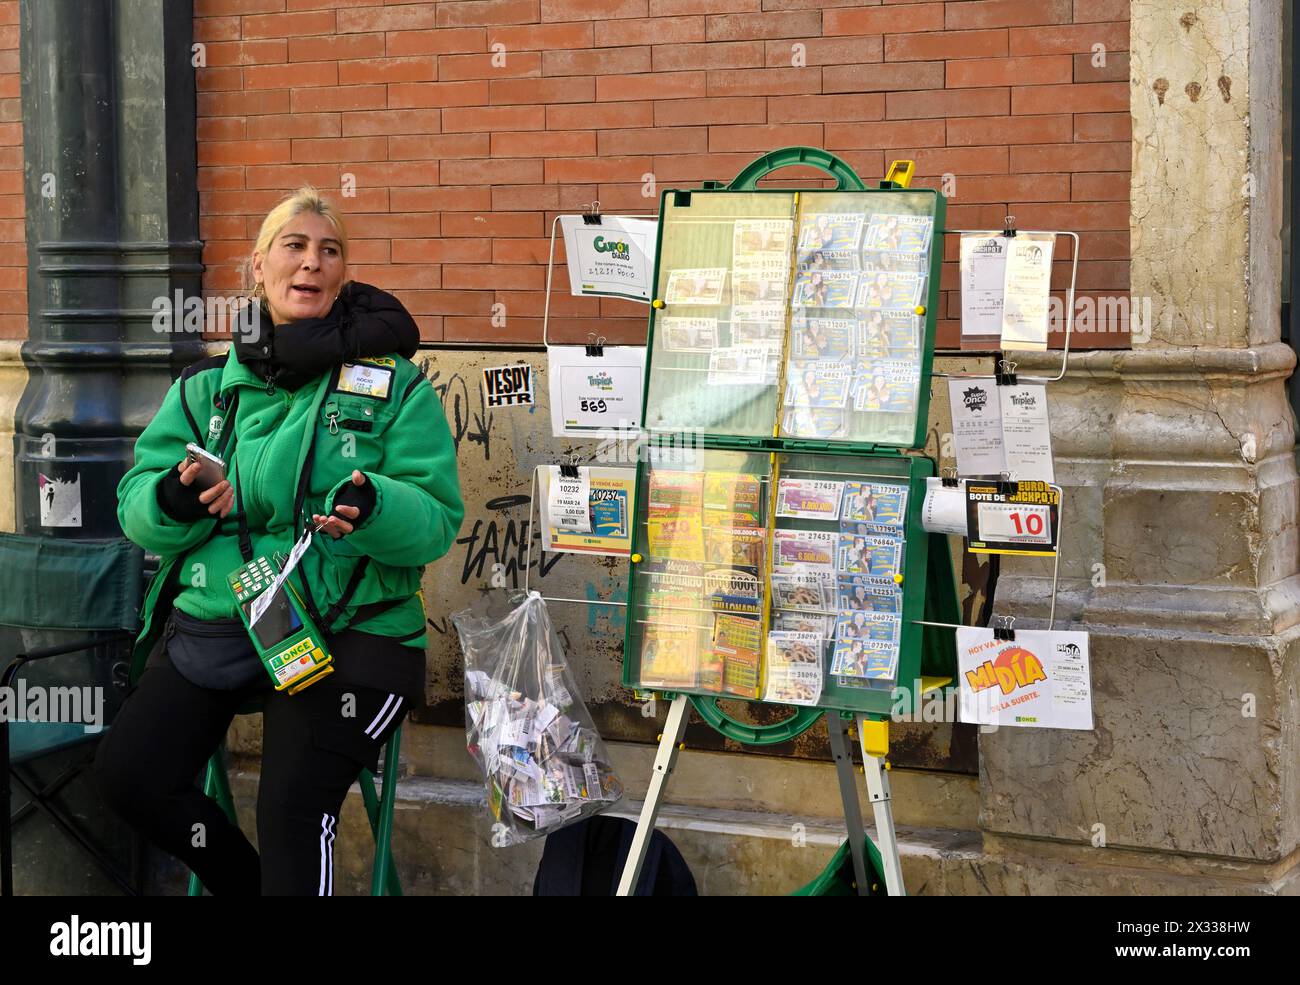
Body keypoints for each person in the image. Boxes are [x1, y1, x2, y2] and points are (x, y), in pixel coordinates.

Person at [93, 186, 465, 896]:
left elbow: (438, 519)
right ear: (257, 267)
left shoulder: (393, 386)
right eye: (293, 246)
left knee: (291, 806)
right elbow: (136, 507)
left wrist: (374, 503)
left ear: (344, 275)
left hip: (356, 631)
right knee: (130, 776)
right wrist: (174, 497)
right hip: (229, 619)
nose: (311, 262)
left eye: (330, 250)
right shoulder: (209, 388)